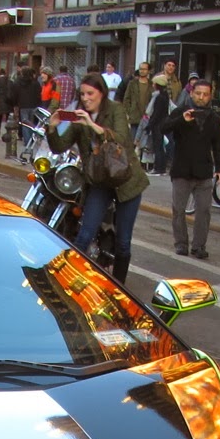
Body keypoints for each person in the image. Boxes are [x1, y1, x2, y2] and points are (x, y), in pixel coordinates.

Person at [44, 73, 151, 284]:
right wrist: (52, 126)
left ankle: (118, 287)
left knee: (123, 243)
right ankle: (71, 279)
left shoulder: (115, 110)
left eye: (90, 93)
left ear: (101, 93)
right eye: (82, 94)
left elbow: (121, 138)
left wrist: (92, 125)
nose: (86, 98)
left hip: (126, 181)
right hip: (99, 181)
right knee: (85, 235)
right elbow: (58, 146)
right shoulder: (78, 117)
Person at [162, 79, 220, 259]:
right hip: (182, 170)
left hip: (203, 170)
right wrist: (182, 120)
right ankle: (181, 243)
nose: (201, 97)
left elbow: (217, 145)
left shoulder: (213, 118)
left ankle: (199, 246)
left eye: (205, 94)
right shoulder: (181, 111)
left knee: (204, 210)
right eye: (198, 93)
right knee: (179, 210)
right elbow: (163, 128)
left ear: (210, 96)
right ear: (191, 93)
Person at [144, 74, 173, 174]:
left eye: (154, 83)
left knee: (158, 147)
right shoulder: (165, 96)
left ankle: (158, 168)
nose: (153, 85)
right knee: (160, 146)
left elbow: (156, 113)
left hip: (158, 125)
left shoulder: (159, 97)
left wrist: (149, 125)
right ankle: (161, 167)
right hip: (162, 123)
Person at [122, 62, 153, 136]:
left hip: (147, 117)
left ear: (148, 71)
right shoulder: (132, 83)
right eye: (140, 69)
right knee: (133, 140)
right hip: (134, 116)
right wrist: (129, 111)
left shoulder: (151, 84)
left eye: (144, 69)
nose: (142, 71)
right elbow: (126, 98)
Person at [0, 66, 12, 140]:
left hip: (0, 101)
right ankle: (8, 134)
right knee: (8, 119)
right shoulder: (9, 81)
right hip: (8, 102)